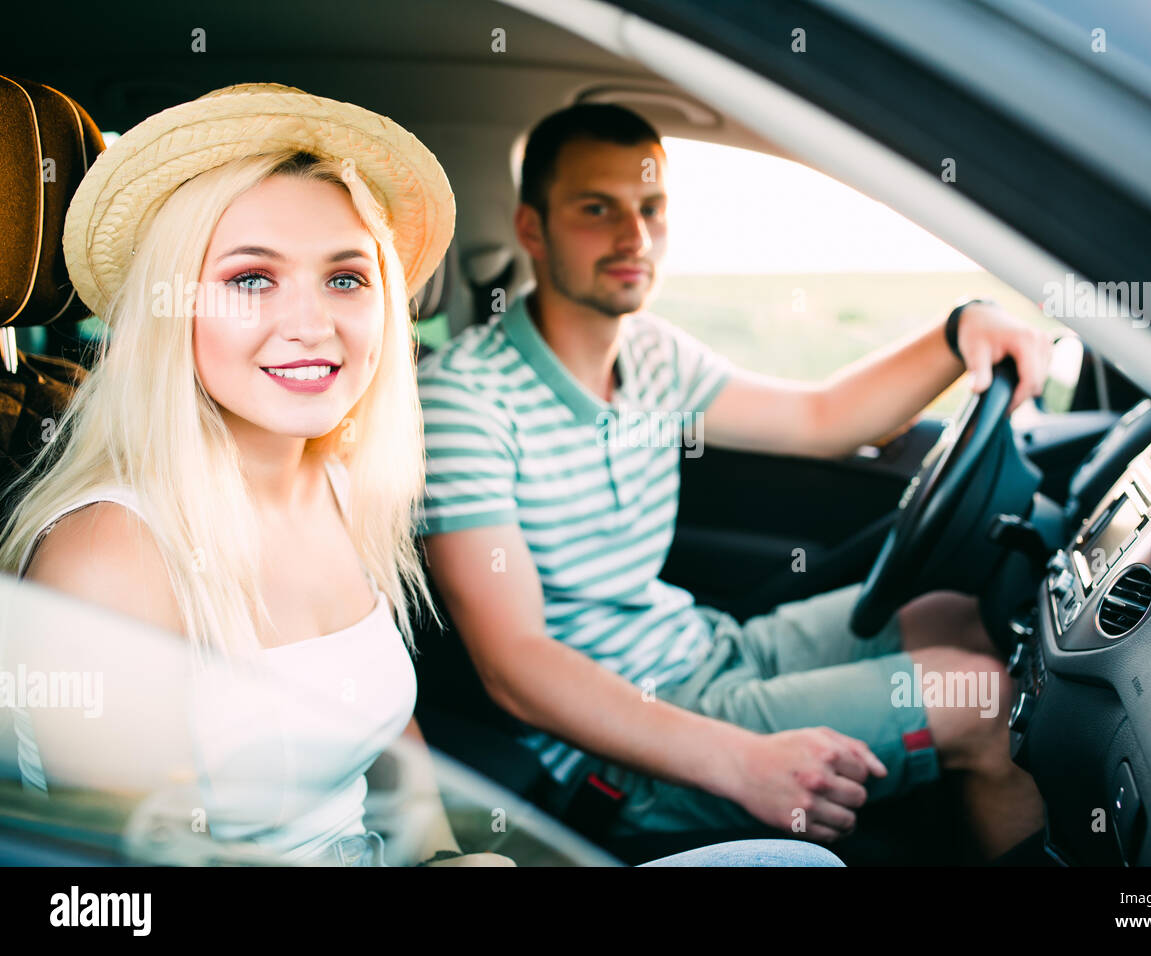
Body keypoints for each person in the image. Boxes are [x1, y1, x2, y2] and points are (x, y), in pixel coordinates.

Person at [0, 84, 836, 867]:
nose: (312, 323)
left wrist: (446, 854)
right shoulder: (110, 557)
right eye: (252, 278)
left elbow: (392, 735)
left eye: (345, 277)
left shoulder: (336, 488)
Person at [417, 104, 1051, 859]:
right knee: (985, 704)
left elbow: (823, 418)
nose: (635, 237)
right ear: (532, 228)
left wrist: (958, 332)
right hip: (620, 753)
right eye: (597, 209)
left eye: (651, 208)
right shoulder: (463, 398)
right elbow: (515, 664)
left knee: (963, 616)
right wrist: (740, 761)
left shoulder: (652, 353)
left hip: (707, 649)